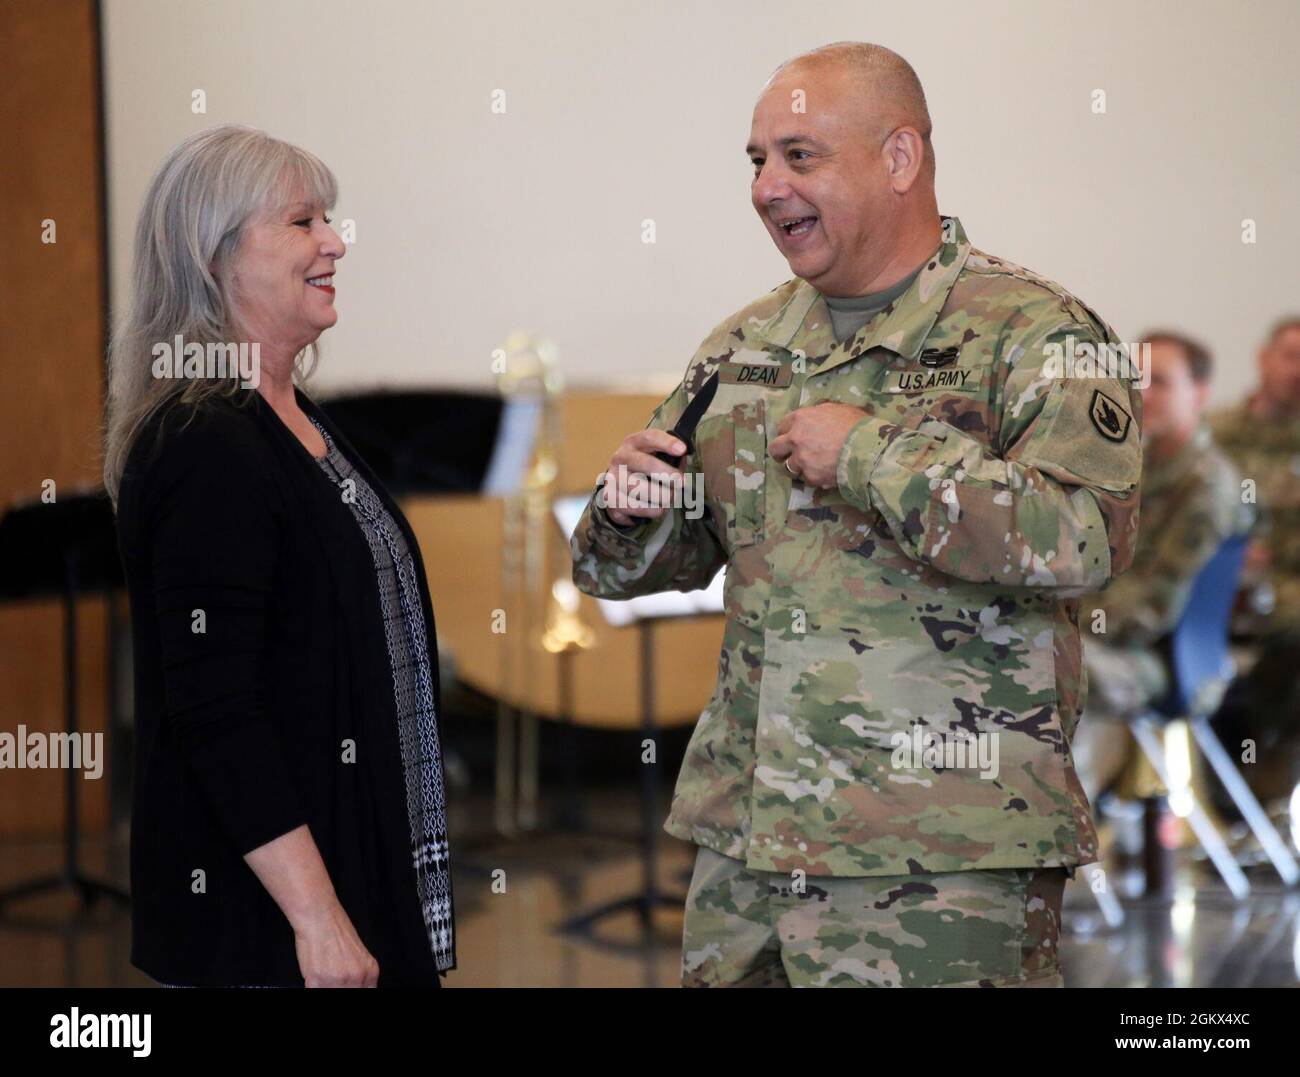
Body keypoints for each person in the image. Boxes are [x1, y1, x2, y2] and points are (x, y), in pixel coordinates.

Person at [570, 42, 1141, 987]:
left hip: (941, 860)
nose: (767, 187)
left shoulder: (1034, 332)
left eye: (800, 155)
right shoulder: (745, 342)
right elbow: (623, 570)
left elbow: (1084, 538)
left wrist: (870, 454)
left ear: (899, 159)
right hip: (747, 850)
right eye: (756, 160)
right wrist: (629, 511)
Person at [106, 125, 455, 987]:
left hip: (351, 886)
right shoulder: (205, 442)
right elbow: (216, 712)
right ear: (215, 255)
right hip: (265, 937)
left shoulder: (294, 418)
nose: (334, 242)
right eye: (303, 221)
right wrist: (318, 920)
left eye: (327, 219)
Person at [1072, 332, 1248, 805]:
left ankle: (1055, 837)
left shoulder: (1207, 486)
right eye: (1138, 380)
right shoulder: (1133, 470)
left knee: (1049, 660)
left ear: (1202, 394)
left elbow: (1153, 607)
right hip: (1117, 642)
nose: (1143, 394)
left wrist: (1065, 623)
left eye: (1162, 383)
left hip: (1168, 661)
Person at [1210, 316, 1300, 636]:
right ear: (1264, 358)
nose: (1297, 372)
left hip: (1288, 594)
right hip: (1211, 578)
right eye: (1290, 356)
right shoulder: (1212, 433)